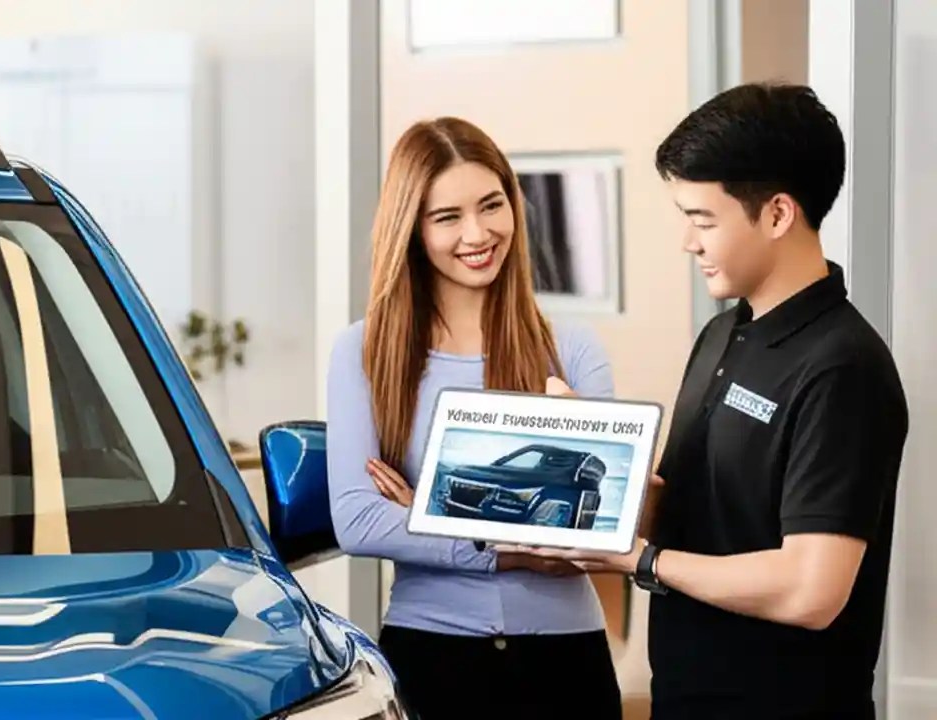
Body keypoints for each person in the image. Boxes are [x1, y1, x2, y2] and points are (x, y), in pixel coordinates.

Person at [516, 83, 909, 719]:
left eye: (703, 220)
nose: (688, 242)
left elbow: (812, 590)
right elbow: (696, 508)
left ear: (778, 214)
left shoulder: (844, 367)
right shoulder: (724, 331)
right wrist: (587, 450)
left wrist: (645, 563)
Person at [324, 116, 623, 719]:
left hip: (567, 659)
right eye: (447, 217)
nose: (478, 232)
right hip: (431, 657)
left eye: (492, 205)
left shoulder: (572, 349)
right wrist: (508, 548)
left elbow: (602, 526)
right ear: (412, 229)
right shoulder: (364, 351)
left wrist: (423, 510)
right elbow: (357, 520)